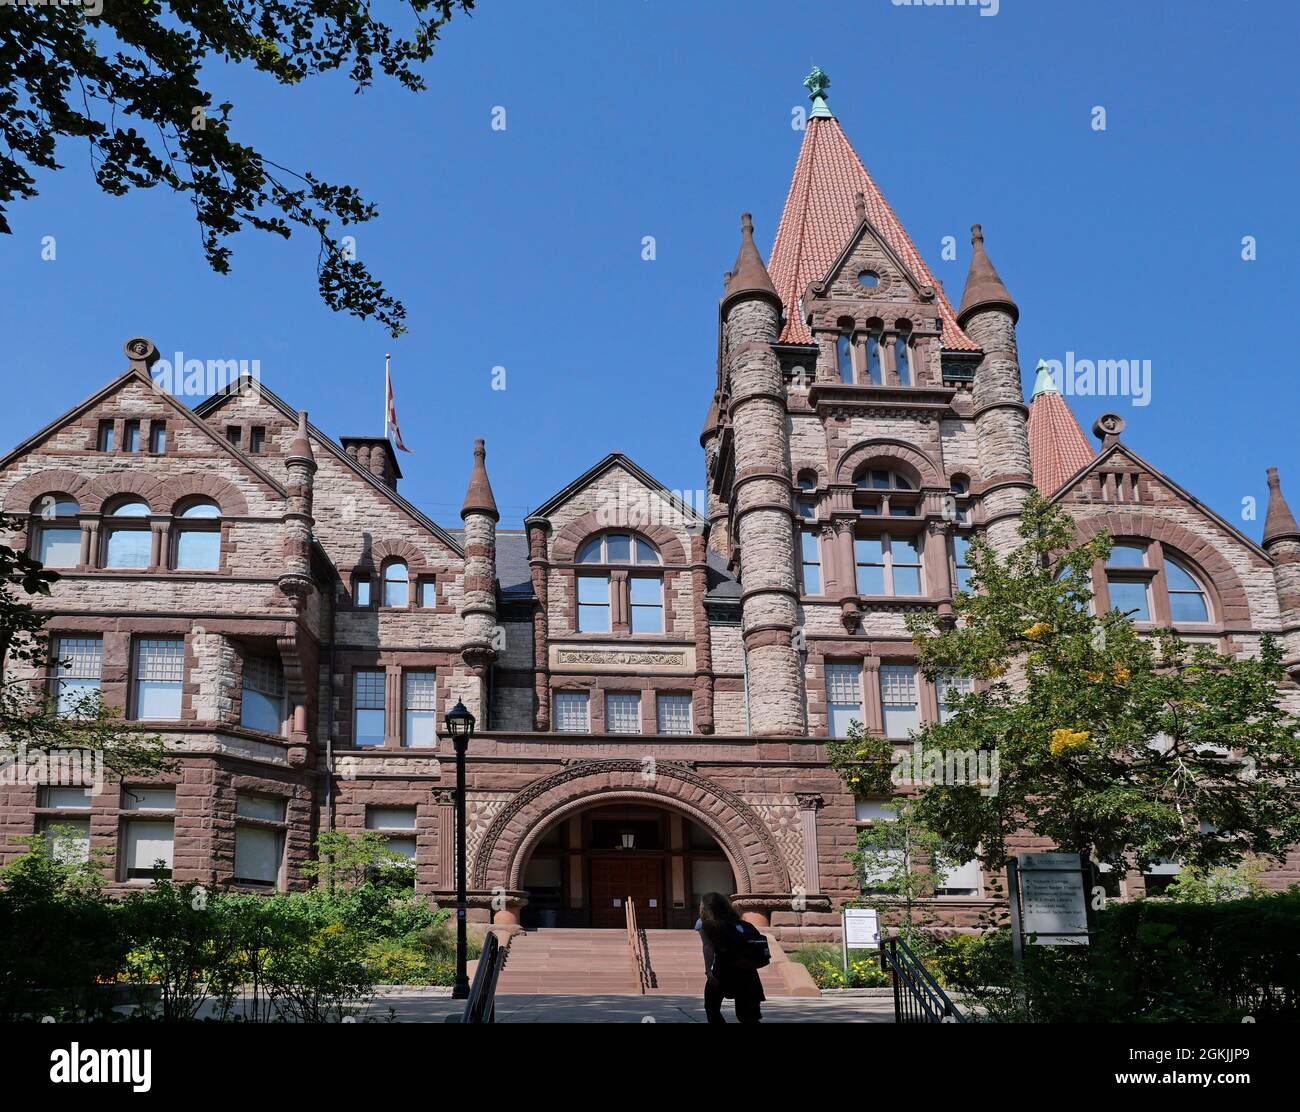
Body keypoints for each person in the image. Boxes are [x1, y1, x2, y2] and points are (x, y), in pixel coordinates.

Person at [695, 891, 764, 1024]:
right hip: (747, 972)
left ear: (705, 908)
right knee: (748, 1017)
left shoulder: (705, 924)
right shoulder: (742, 924)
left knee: (711, 1008)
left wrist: (708, 970)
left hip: (723, 971)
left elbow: (708, 947)